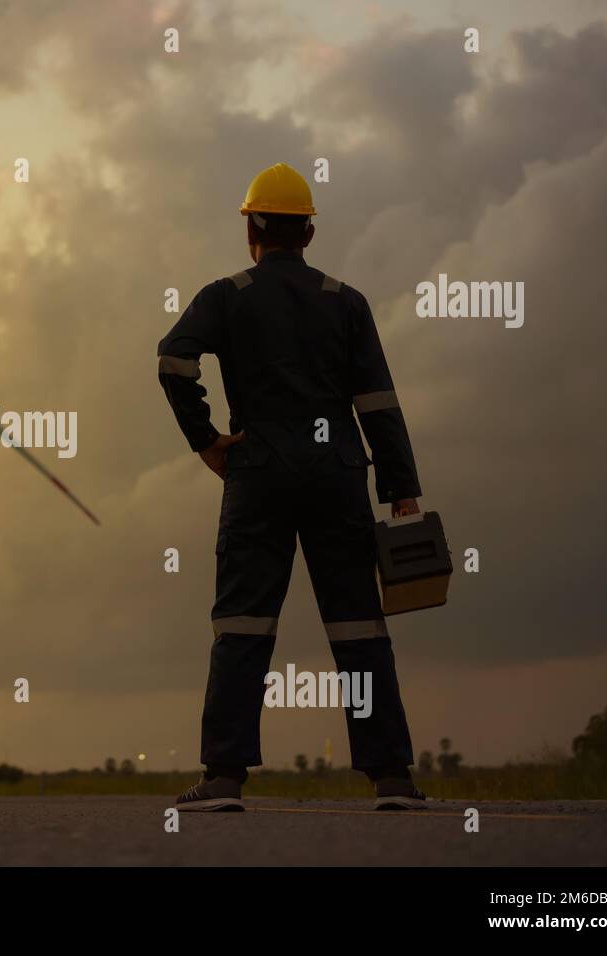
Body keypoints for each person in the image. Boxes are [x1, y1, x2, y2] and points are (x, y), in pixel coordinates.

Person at [157, 162, 426, 811]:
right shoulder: (346, 302)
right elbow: (378, 403)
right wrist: (401, 488)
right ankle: (391, 777)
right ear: (308, 231)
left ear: (252, 228)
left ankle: (224, 778)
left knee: (242, 624)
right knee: (359, 625)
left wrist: (207, 439)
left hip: (259, 473)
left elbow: (172, 360)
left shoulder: (228, 295)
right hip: (337, 473)